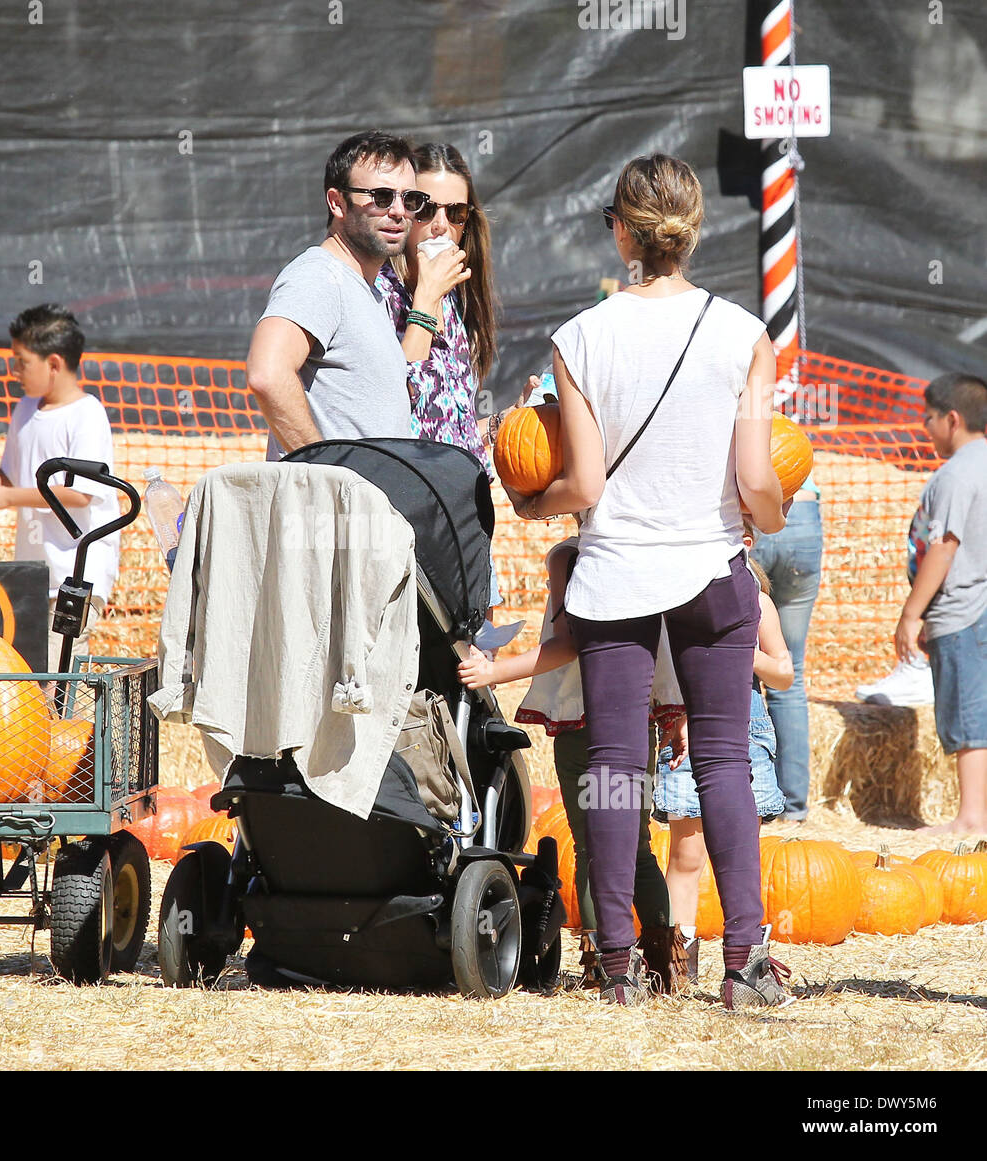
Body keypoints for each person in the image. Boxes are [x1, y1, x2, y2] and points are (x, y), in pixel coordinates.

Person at [510, 154, 790, 1008]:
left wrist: (530, 503)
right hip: (711, 567)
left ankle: (619, 962)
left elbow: (583, 488)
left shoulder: (581, 337)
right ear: (694, 230)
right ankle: (744, 960)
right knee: (723, 765)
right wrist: (771, 514)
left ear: (623, 233)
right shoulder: (744, 333)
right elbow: (756, 487)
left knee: (613, 769)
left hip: (615, 574)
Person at [458, 533, 685, 992]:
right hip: (636, 725)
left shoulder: (572, 555)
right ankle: (667, 963)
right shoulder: (654, 546)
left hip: (590, 730)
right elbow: (665, 643)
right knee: (636, 846)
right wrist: (673, 714)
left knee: (593, 847)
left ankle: (606, 961)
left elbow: (572, 641)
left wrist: (493, 671)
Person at [655, 524, 793, 983]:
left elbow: (784, 672)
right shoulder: (669, 596)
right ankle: (677, 963)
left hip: (742, 729)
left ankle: (745, 958)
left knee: (739, 853)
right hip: (683, 729)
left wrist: (741, 653)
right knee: (686, 855)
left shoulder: (756, 602)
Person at [374, 142, 503, 610]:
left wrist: (503, 424)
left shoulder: (452, 300)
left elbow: (445, 423)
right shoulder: (380, 294)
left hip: (462, 516)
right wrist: (424, 298)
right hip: (410, 518)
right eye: (426, 207)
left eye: (458, 212)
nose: (442, 225)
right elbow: (396, 397)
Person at [0, 304, 119, 667]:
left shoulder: (87, 415)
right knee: (32, 676)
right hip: (33, 574)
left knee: (56, 681)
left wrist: (7, 497)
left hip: (75, 576)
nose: (15, 372)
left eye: (22, 362)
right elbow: (11, 473)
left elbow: (79, 494)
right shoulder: (26, 408)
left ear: (54, 364)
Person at [246, 130, 425, 459]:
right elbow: (267, 374)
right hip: (331, 508)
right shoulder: (319, 276)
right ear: (337, 202)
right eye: (382, 197)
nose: (399, 211)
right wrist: (323, 470)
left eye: (410, 199)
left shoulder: (367, 292)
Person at [897, 373, 987, 836]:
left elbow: (944, 546)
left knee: (967, 709)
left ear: (952, 419)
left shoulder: (957, 473)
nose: (924, 427)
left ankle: (972, 817)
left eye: (928, 418)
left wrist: (911, 614)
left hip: (963, 608)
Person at [753, 473, 825, 819]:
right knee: (790, 676)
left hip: (752, 517)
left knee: (731, 662)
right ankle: (793, 806)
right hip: (804, 516)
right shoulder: (782, 425)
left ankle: (747, 793)